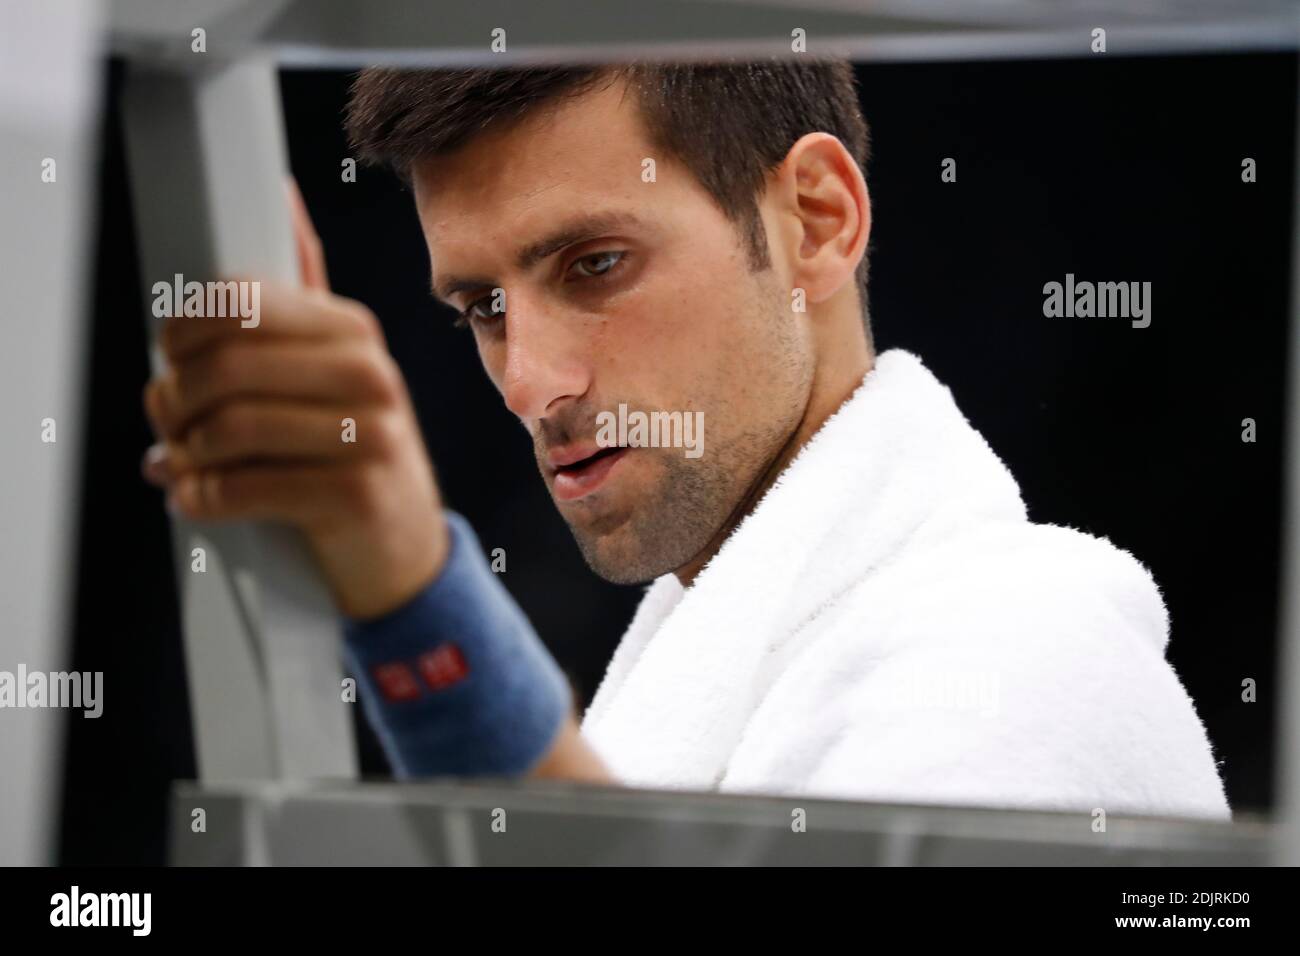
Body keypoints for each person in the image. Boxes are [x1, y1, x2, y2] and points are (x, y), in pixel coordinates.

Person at [142, 61, 1230, 818]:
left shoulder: (1018, 660)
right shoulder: (706, 686)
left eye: (595, 264)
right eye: (480, 305)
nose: (530, 383)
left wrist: (415, 598)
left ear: (814, 219)